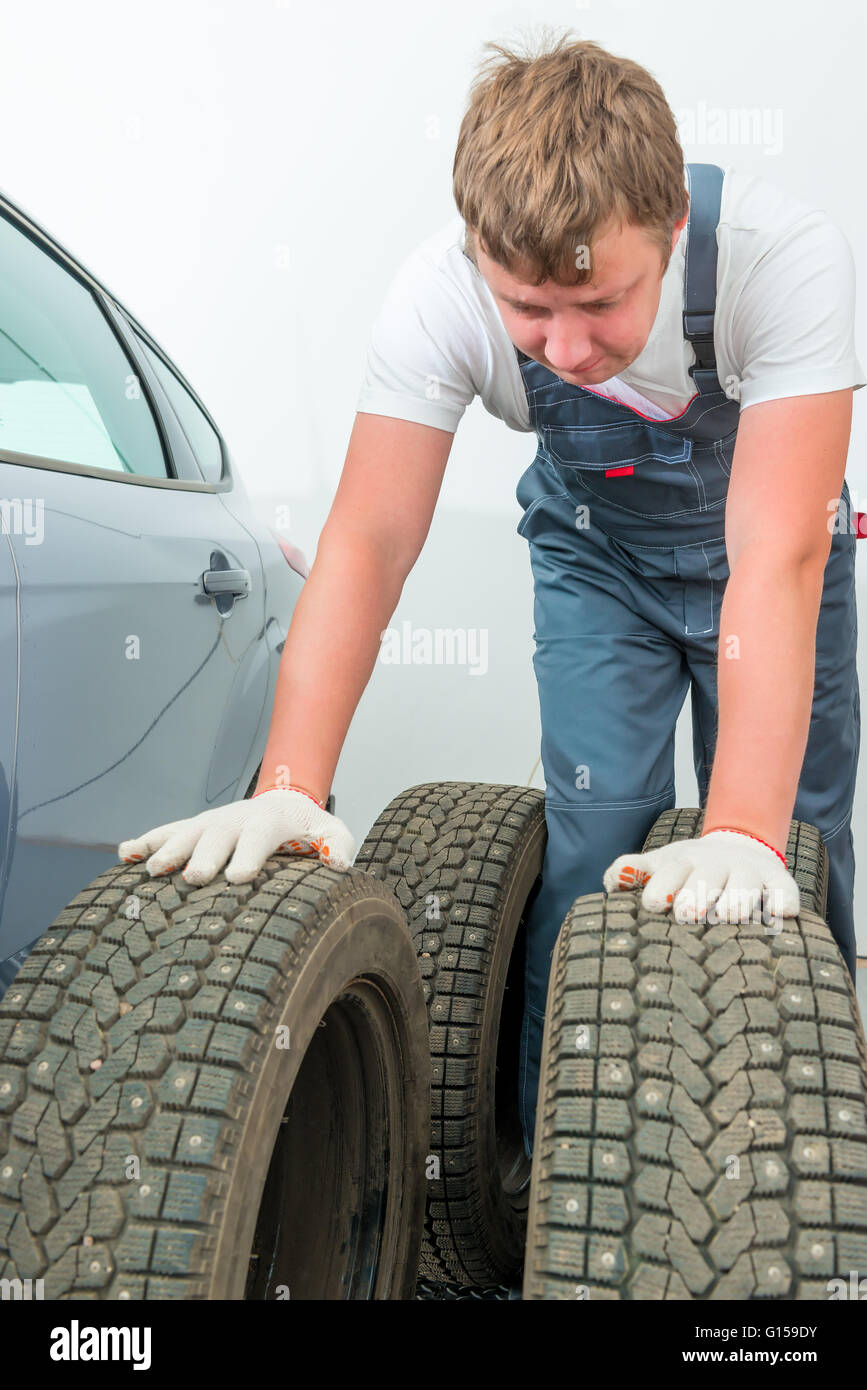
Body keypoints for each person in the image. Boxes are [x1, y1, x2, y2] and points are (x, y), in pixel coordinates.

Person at [118, 32, 864, 1157]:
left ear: (668, 232)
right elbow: (367, 541)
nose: (565, 349)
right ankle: (557, 1164)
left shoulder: (784, 261)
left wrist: (745, 827)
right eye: (528, 309)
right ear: (477, 255)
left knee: (787, 859)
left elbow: (776, 553)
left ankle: (807, 1153)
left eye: (601, 304)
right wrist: (289, 781)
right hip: (596, 557)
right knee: (592, 838)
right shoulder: (439, 295)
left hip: (773, 553)